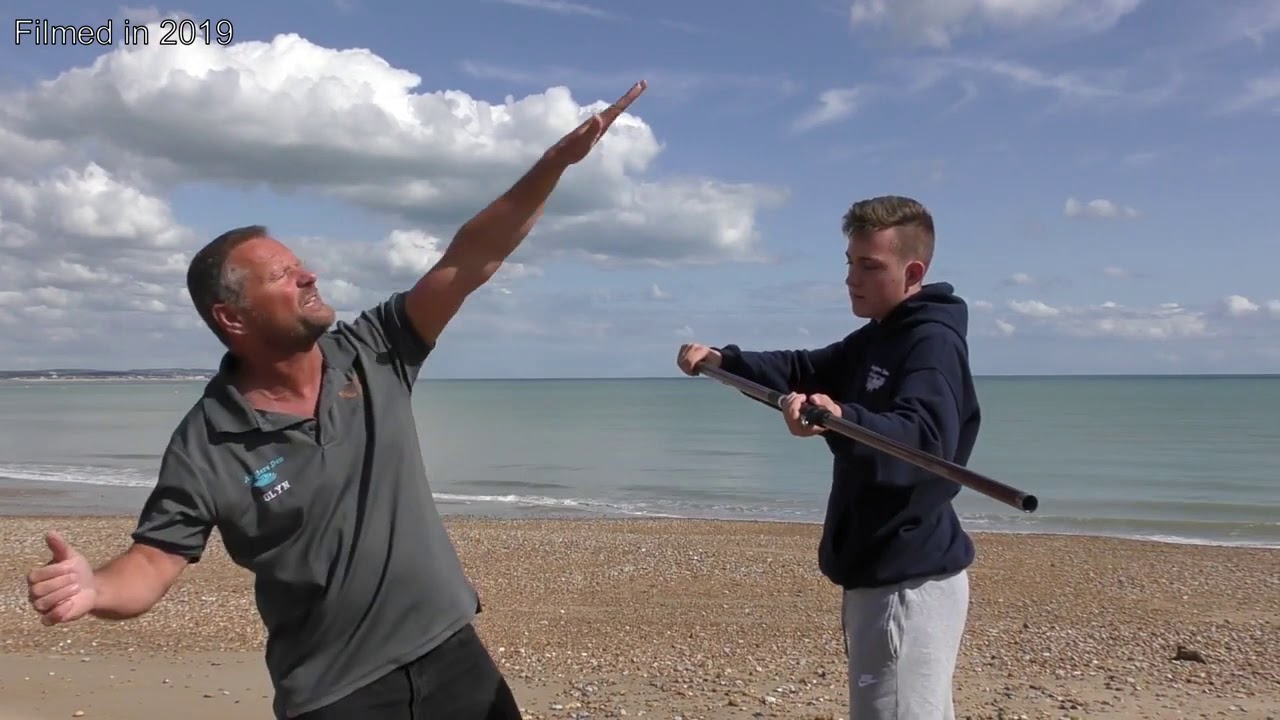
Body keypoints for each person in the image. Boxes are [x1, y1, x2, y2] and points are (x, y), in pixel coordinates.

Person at [24, 80, 648, 720]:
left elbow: (470, 260)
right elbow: (154, 561)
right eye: (282, 276)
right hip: (336, 694)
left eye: (301, 264)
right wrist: (96, 587)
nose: (309, 275)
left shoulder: (375, 350)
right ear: (233, 317)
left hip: (453, 655)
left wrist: (553, 167)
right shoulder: (206, 440)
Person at [676, 195, 980, 719]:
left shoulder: (930, 343)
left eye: (869, 266)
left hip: (908, 582)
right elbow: (802, 368)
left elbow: (925, 441)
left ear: (912, 271)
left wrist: (842, 420)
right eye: (850, 263)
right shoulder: (879, 336)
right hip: (877, 571)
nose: (851, 278)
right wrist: (725, 361)